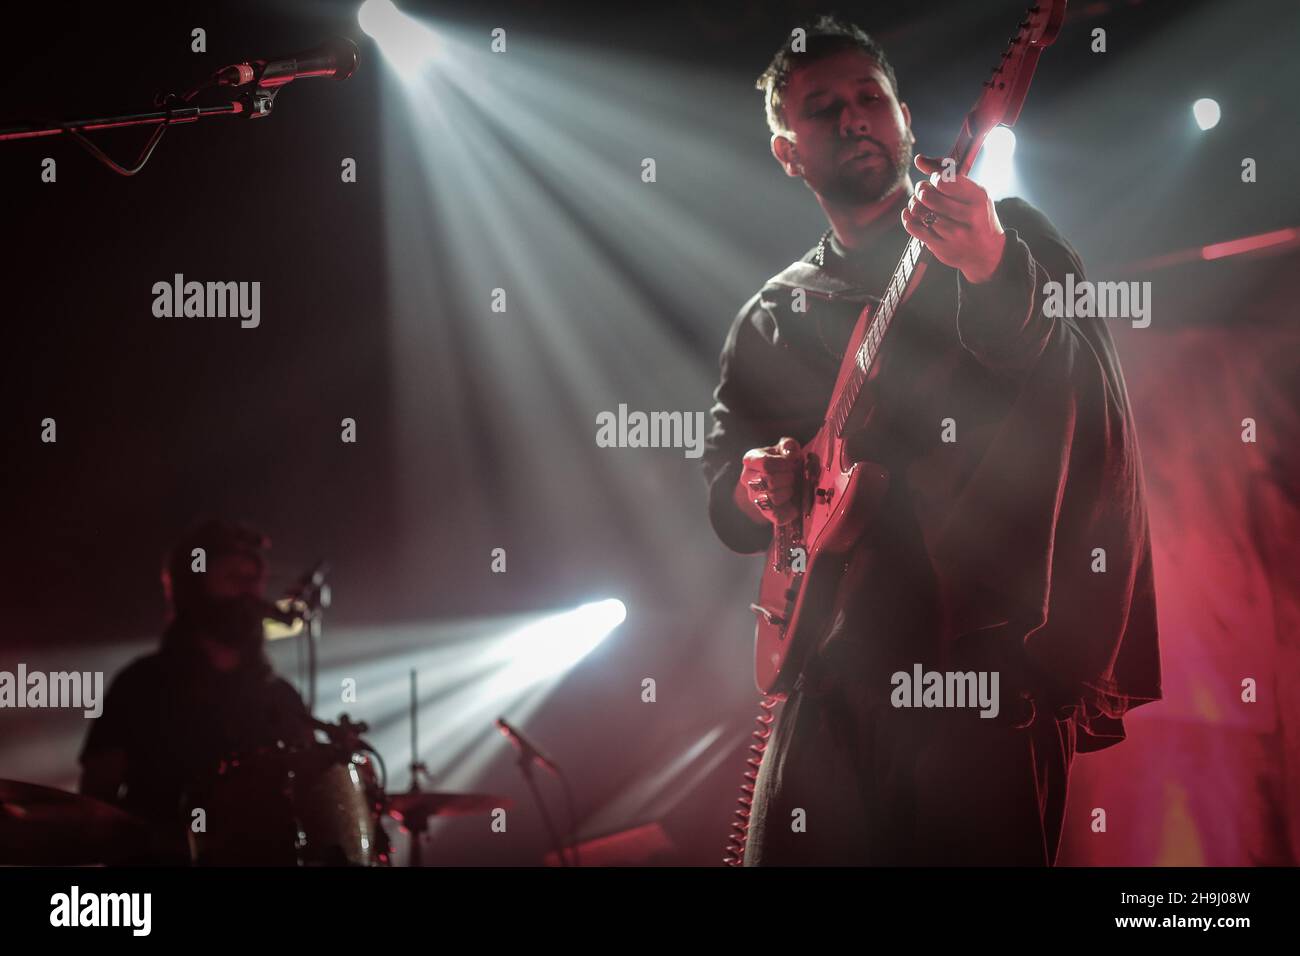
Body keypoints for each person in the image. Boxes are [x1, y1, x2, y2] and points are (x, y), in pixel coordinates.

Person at [702, 16, 1162, 865]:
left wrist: (992, 265)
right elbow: (723, 487)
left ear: (907, 118)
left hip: (985, 666)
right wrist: (753, 485)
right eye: (821, 107)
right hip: (823, 670)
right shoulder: (772, 313)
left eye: (869, 96)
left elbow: (1071, 379)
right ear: (785, 150)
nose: (853, 117)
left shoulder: (1007, 229)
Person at [79, 518, 314, 830]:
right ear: (192, 590)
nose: (249, 593)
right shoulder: (140, 686)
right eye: (233, 577)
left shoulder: (281, 696)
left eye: (253, 580)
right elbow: (95, 801)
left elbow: (312, 797)